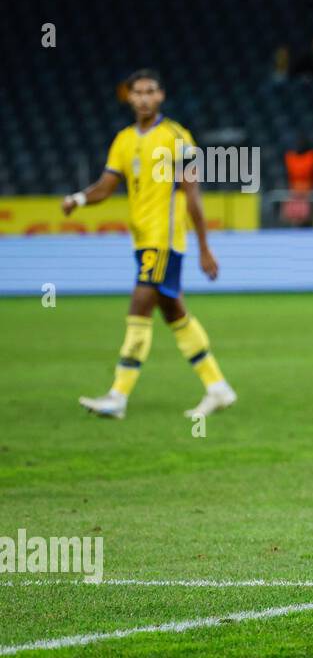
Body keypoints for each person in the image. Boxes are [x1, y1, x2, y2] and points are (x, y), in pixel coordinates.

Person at [63, 70, 236, 420]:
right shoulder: (124, 140)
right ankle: (217, 387)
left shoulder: (176, 136)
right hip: (142, 240)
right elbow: (106, 186)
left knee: (139, 305)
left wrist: (204, 246)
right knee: (173, 311)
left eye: (150, 92)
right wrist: (79, 199)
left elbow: (193, 195)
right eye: (137, 92)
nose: (143, 98)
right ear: (128, 97)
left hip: (164, 239)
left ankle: (118, 395)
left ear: (161, 97)